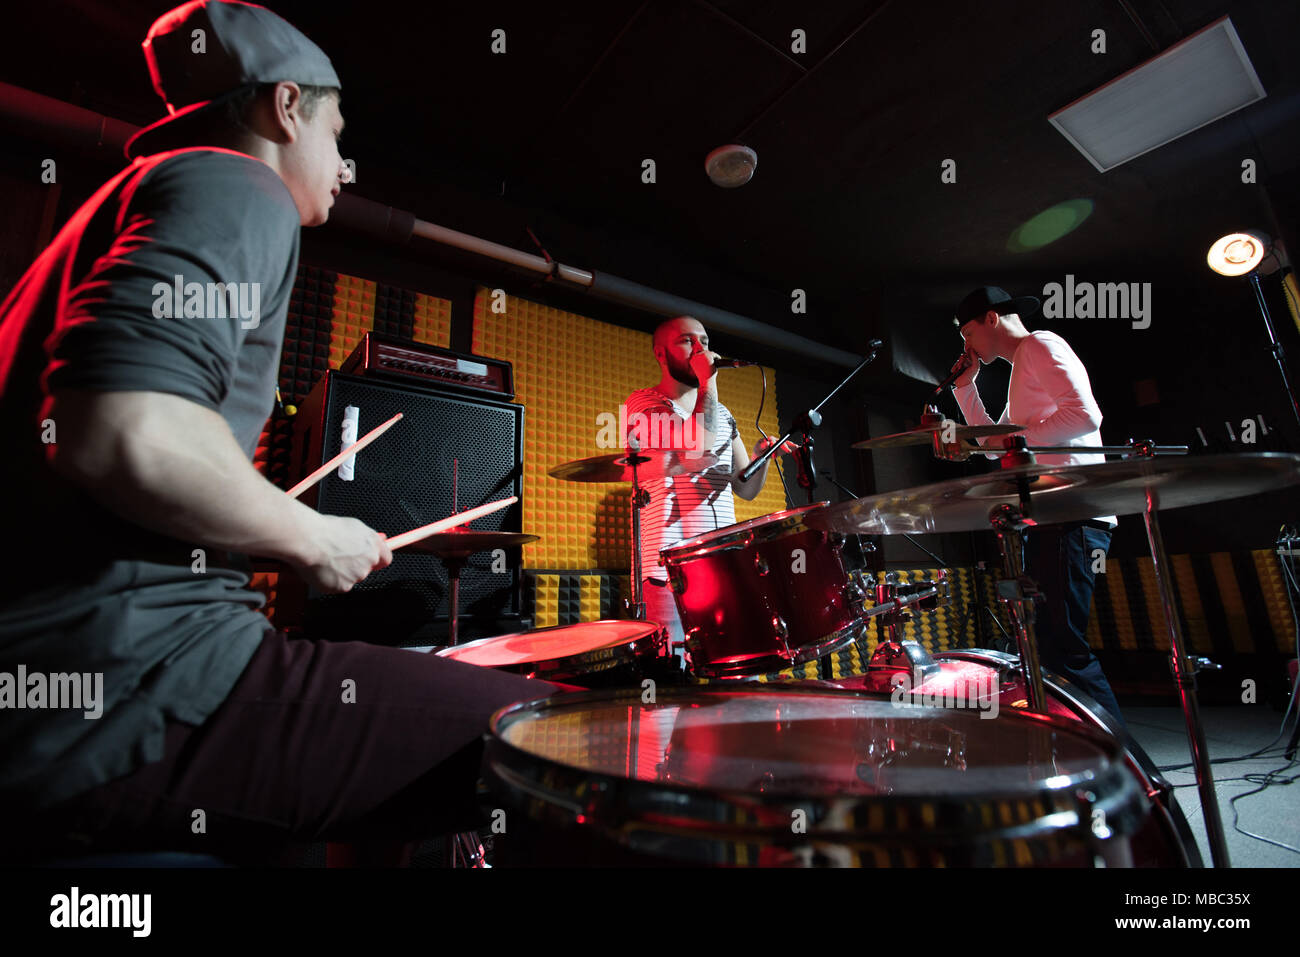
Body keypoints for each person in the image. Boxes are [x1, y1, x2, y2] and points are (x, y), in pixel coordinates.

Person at [0, 0, 559, 864]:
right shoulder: (236, 183)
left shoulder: (105, 215)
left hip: (68, 695)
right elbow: (122, 429)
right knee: (558, 742)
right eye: (338, 135)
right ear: (284, 106)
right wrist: (313, 535)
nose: (345, 169)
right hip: (137, 693)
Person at [947, 286, 1125, 725]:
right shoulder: (1020, 366)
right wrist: (966, 388)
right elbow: (992, 448)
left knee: (1063, 647)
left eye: (968, 332)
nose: (966, 345)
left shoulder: (1040, 344)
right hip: (1053, 516)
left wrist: (1019, 441)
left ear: (992, 319)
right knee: (1049, 643)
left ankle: (1120, 756)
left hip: (1074, 513)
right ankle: (1082, 748)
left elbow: (1084, 416)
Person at [622, 315, 793, 648]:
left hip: (722, 564)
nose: (701, 349)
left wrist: (764, 456)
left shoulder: (722, 413)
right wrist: (708, 381)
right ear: (660, 354)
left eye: (705, 341)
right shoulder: (642, 404)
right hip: (667, 575)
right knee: (677, 680)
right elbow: (694, 451)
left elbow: (745, 488)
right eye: (688, 341)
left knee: (733, 667)